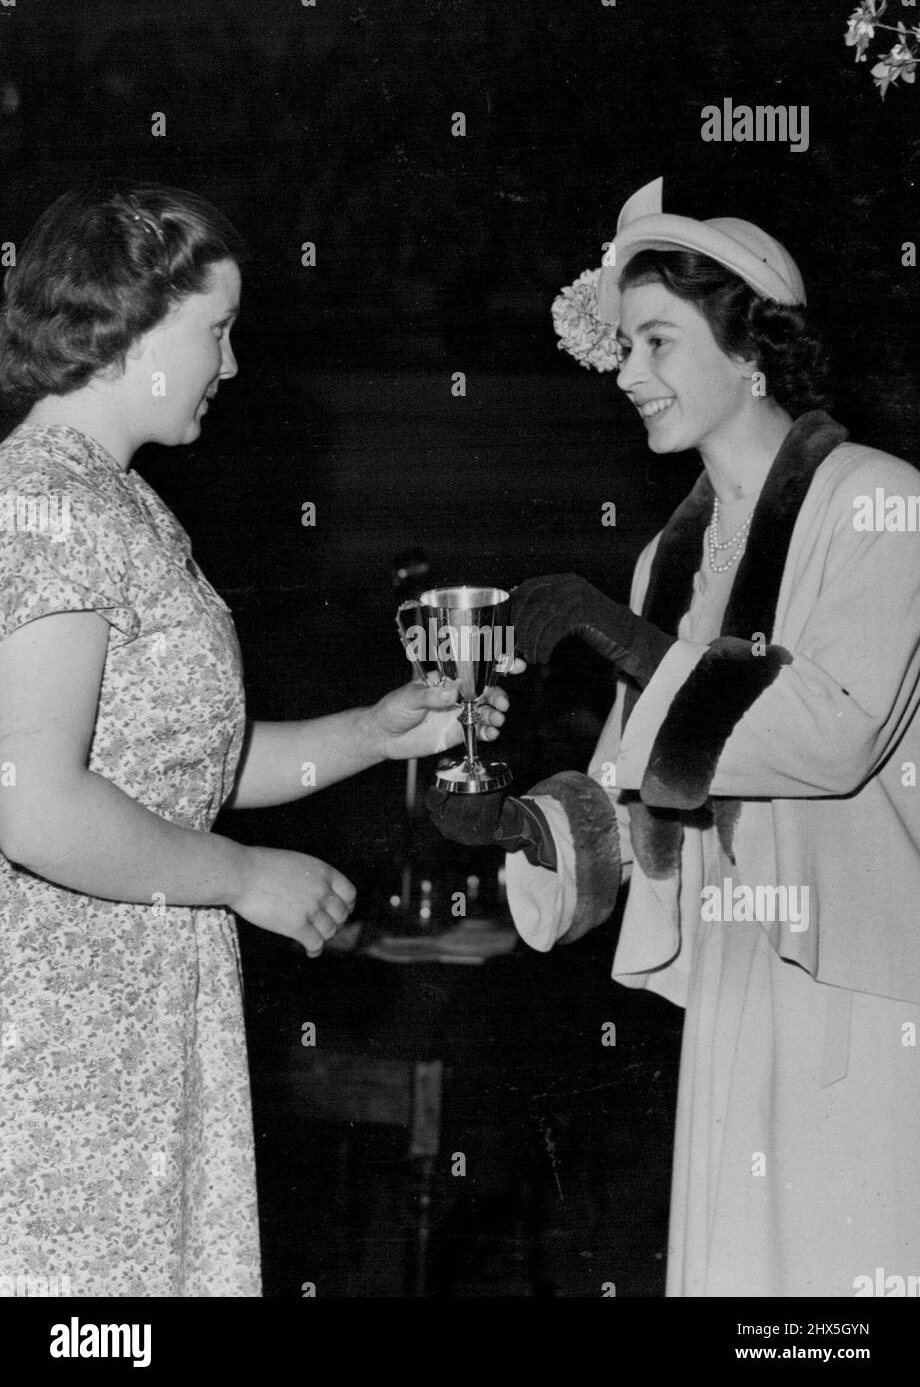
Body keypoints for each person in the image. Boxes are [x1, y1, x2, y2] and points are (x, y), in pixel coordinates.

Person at [0, 182, 515, 1297]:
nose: (231, 367)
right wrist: (241, 876)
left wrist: (374, 734)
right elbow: (32, 803)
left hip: (141, 995)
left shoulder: (120, 502)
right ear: (129, 327)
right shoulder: (50, 504)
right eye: (217, 332)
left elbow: (180, 771)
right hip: (65, 1016)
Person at [427, 177, 920, 1297]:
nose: (627, 373)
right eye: (626, 345)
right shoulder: (670, 557)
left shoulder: (878, 503)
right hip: (739, 986)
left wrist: (624, 638)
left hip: (862, 983)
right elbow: (634, 796)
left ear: (751, 349)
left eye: (657, 341)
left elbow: (830, 732)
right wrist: (510, 823)